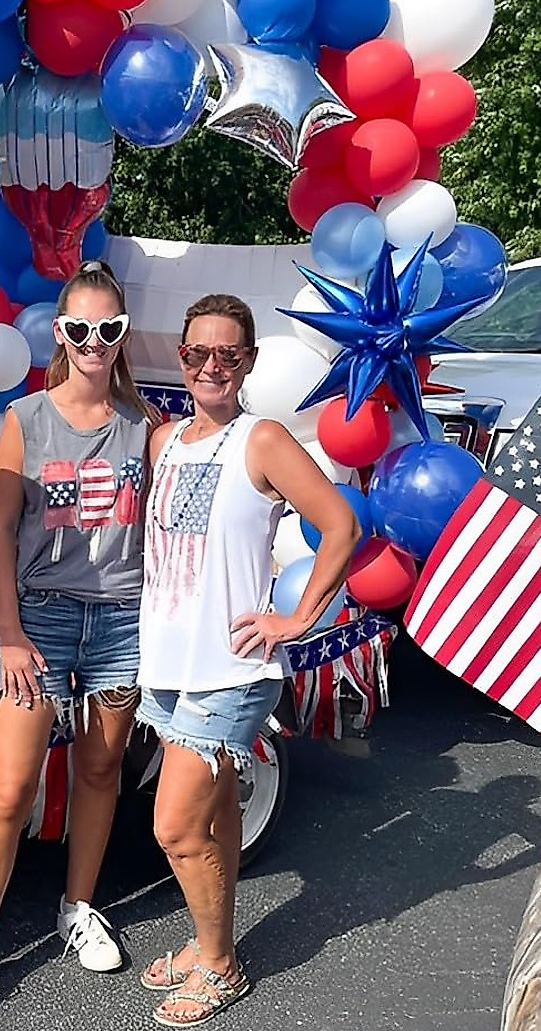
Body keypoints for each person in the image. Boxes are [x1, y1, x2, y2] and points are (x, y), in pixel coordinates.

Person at [0, 260, 155, 1031]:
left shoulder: (143, 426)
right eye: (81, 329)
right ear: (61, 334)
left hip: (121, 620)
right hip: (43, 621)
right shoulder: (26, 419)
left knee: (100, 768)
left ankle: (80, 906)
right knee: (8, 788)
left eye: (110, 329)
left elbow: (162, 529)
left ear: (122, 337)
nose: (95, 341)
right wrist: (14, 633)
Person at [136, 293, 359, 1027]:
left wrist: (298, 617)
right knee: (218, 815)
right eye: (198, 353)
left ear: (249, 362)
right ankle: (211, 944)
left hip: (230, 670)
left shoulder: (261, 439)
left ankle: (222, 967)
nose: (211, 367)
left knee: (174, 826)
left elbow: (340, 524)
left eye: (227, 355)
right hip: (168, 663)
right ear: (182, 358)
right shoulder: (164, 441)